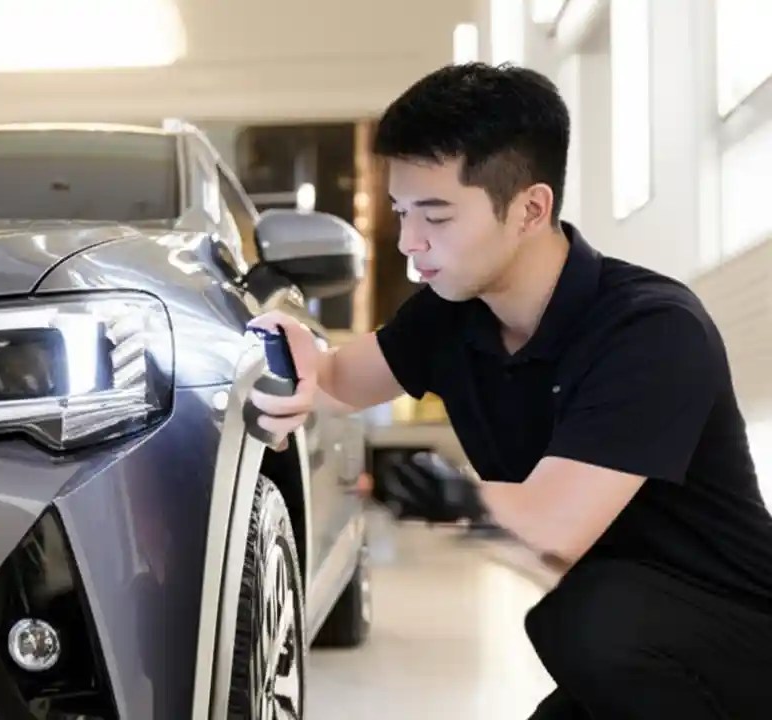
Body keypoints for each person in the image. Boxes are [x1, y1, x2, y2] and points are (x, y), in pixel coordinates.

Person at [248, 62, 772, 719]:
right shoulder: (449, 316)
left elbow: (558, 526)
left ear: (530, 208)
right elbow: (337, 379)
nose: (411, 244)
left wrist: (460, 497)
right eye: (402, 213)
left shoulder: (651, 328)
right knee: (586, 629)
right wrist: (301, 358)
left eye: (436, 216)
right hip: (640, 646)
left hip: (742, 646)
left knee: (588, 620)